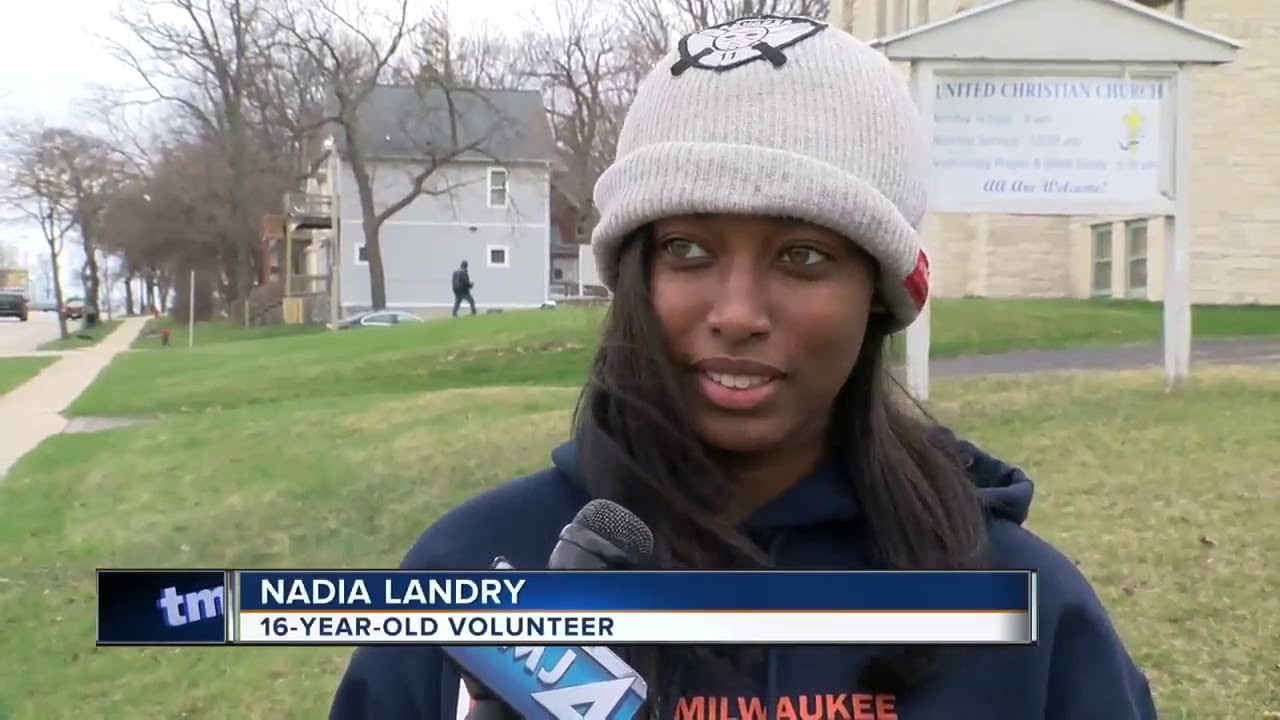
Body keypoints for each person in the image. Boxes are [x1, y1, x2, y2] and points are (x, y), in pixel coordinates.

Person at [330, 15, 1156, 720]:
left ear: (878, 291)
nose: (736, 311)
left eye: (802, 256)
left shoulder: (1024, 605)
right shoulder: (472, 571)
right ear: (632, 276)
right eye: (687, 250)